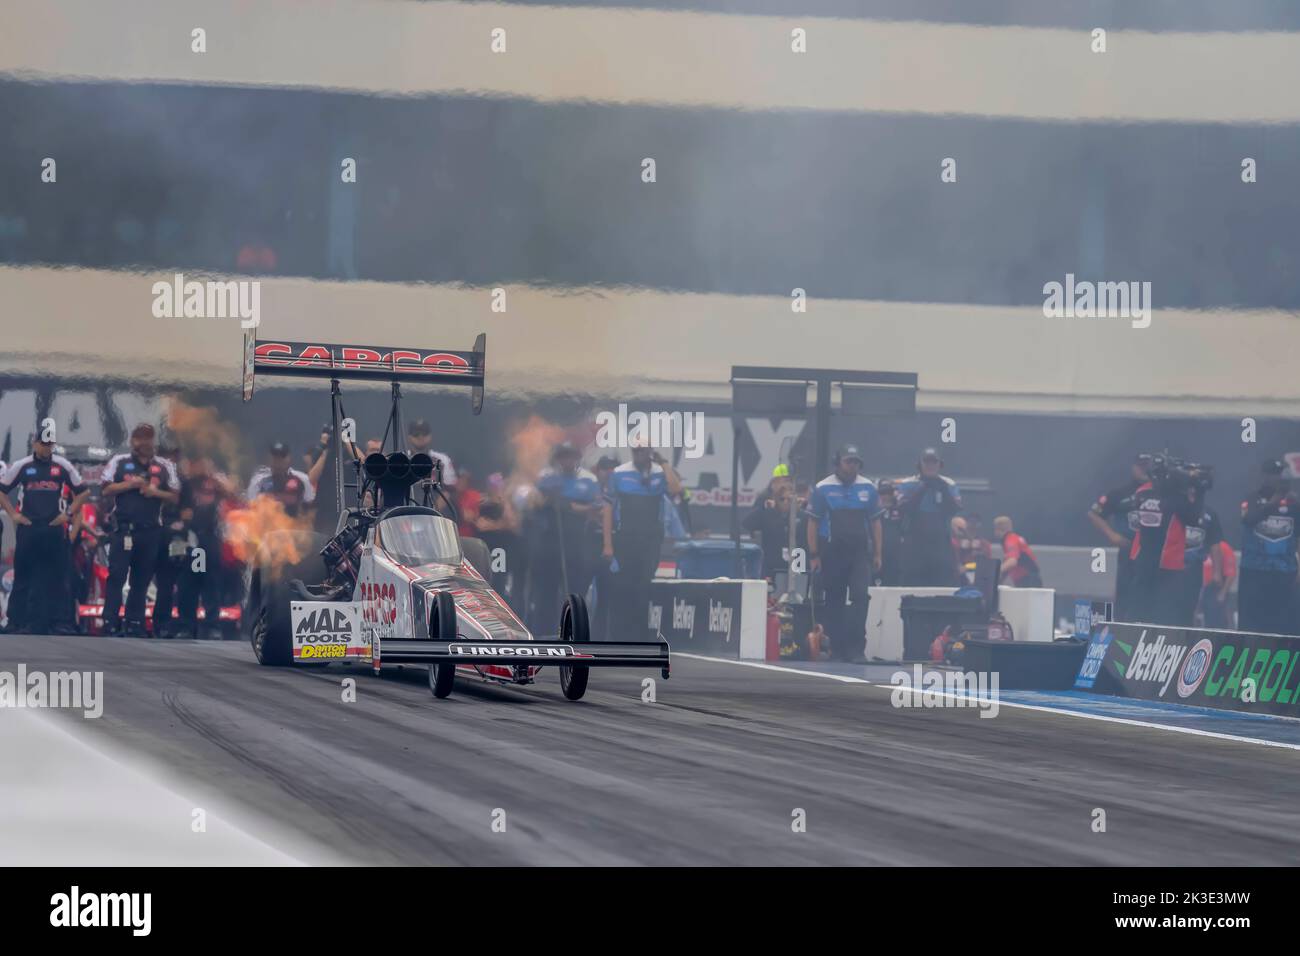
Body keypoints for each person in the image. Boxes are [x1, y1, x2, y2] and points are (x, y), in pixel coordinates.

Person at [0, 437, 88, 634]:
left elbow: (83, 491)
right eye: (42, 443)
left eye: (49, 444)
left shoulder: (62, 465)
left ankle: (61, 623)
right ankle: (18, 622)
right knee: (24, 577)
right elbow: (2, 490)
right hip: (29, 527)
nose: (46, 447)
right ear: (34, 443)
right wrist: (14, 515)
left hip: (54, 529)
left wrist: (68, 514)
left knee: (58, 577)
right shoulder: (22, 465)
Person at [99, 424, 180, 636]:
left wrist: (154, 492)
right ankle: (110, 622)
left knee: (141, 579)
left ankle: (135, 622)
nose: (144, 442)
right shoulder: (120, 462)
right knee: (116, 575)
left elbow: (175, 496)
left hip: (151, 530)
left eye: (148, 438)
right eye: (140, 438)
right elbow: (105, 489)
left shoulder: (164, 466)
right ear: (133, 441)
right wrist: (130, 485)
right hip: (124, 530)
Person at [807, 444, 882, 663]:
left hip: (859, 553)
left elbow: (876, 523)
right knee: (834, 600)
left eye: (856, 462)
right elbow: (812, 523)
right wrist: (813, 555)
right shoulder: (822, 488)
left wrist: (878, 553)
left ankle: (857, 648)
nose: (853, 466)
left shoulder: (868, 488)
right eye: (849, 462)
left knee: (860, 596)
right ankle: (837, 649)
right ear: (838, 463)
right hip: (832, 552)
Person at [602, 443, 682, 640]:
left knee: (644, 587)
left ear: (650, 452)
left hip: (650, 540)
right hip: (625, 538)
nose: (638, 453)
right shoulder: (620, 473)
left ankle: (639, 635)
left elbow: (676, 489)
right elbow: (608, 509)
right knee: (623, 586)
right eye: (635, 450)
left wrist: (663, 463)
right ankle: (619, 636)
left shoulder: (659, 473)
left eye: (643, 450)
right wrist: (608, 543)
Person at [531, 443, 601, 632]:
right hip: (551, 538)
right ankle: (543, 630)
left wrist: (569, 506)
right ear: (558, 459)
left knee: (575, 588)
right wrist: (549, 499)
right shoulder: (548, 478)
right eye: (563, 457)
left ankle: (573, 629)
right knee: (547, 588)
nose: (567, 460)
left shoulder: (588, 480)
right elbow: (535, 501)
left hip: (577, 539)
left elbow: (596, 508)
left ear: (577, 458)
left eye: (570, 456)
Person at [1127, 456, 1201, 627]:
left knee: (1152, 611)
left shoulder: (1144, 492)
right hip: (1159, 560)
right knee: (1156, 613)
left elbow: (1190, 517)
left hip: (1154, 559)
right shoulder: (1170, 497)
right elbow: (1192, 517)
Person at [176, 455, 236, 640]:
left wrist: (214, 476)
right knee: (190, 582)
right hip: (194, 538)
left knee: (211, 582)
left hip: (212, 537)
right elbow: (182, 510)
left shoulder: (215, 483)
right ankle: (188, 625)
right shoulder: (187, 484)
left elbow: (231, 492)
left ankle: (212, 625)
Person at [1239, 459, 1300, 635]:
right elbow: (1248, 519)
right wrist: (1274, 501)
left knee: (1285, 623)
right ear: (1265, 476)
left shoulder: (1294, 504)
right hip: (1255, 570)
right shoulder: (1253, 498)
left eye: (1280, 475)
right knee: (1253, 623)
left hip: (1284, 571)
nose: (1278, 479)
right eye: (1274, 474)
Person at [1087, 454, 1151, 621]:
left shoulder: (1161, 493)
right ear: (1133, 468)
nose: (1144, 469)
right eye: (1140, 466)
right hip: (1128, 551)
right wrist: (1112, 535)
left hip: (1153, 554)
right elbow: (1094, 513)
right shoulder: (1120, 493)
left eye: (1147, 466)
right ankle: (1122, 632)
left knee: (1151, 598)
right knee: (1125, 597)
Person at [895, 448, 962, 586]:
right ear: (919, 465)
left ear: (940, 465)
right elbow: (904, 509)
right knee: (912, 582)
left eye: (934, 462)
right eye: (926, 462)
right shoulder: (907, 483)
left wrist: (942, 489)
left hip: (940, 543)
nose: (930, 466)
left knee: (942, 582)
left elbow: (954, 509)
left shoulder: (948, 484)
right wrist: (923, 487)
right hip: (914, 542)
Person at [743, 464, 797, 581]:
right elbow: (751, 522)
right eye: (784, 480)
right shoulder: (764, 498)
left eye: (788, 481)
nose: (786, 484)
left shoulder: (794, 499)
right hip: (770, 547)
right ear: (774, 482)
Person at [246, 441, 315, 519]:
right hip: (267, 528)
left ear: (289, 459)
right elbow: (251, 509)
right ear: (269, 459)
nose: (278, 462)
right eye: (275, 458)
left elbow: (310, 507)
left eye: (282, 457)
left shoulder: (302, 479)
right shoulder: (258, 480)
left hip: (294, 527)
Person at [993, 516, 1042, 588]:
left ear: (999, 528)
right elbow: (1008, 566)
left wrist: (995, 572)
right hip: (1028, 579)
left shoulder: (1010, 540)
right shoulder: (1015, 539)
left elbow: (1012, 561)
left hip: (1028, 581)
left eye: (995, 529)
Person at [406, 419, 457, 487]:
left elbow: (451, 488)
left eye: (424, 433)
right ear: (409, 437)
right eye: (416, 434)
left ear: (430, 436)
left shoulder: (443, 459)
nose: (420, 437)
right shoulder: (403, 459)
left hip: (436, 496)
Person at [1201, 539, 1236, 629]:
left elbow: (1231, 574)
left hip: (1217, 589)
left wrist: (1223, 593)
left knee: (1219, 621)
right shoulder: (1201, 545)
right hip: (1203, 589)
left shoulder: (1225, 548)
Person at [875, 478, 904, 587]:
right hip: (875, 556)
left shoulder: (901, 510)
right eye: (882, 493)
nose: (886, 496)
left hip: (895, 558)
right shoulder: (871, 512)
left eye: (889, 493)